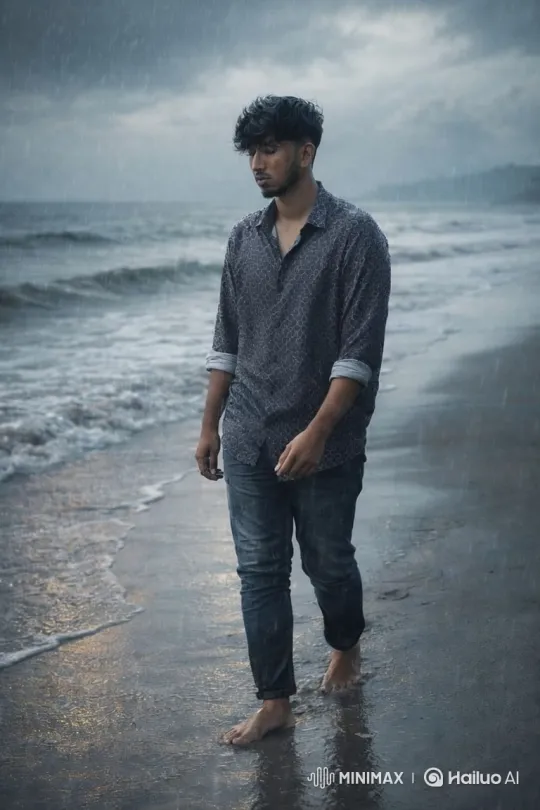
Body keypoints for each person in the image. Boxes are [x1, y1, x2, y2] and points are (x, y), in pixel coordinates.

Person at [195, 95, 391, 746]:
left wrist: (318, 430)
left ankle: (345, 644)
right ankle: (274, 700)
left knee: (328, 562)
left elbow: (357, 353)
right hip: (250, 433)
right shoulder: (242, 239)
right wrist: (209, 425)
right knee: (259, 570)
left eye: (270, 148)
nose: (257, 163)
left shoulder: (355, 235)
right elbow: (227, 339)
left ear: (307, 152)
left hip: (325, 444)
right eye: (251, 151)